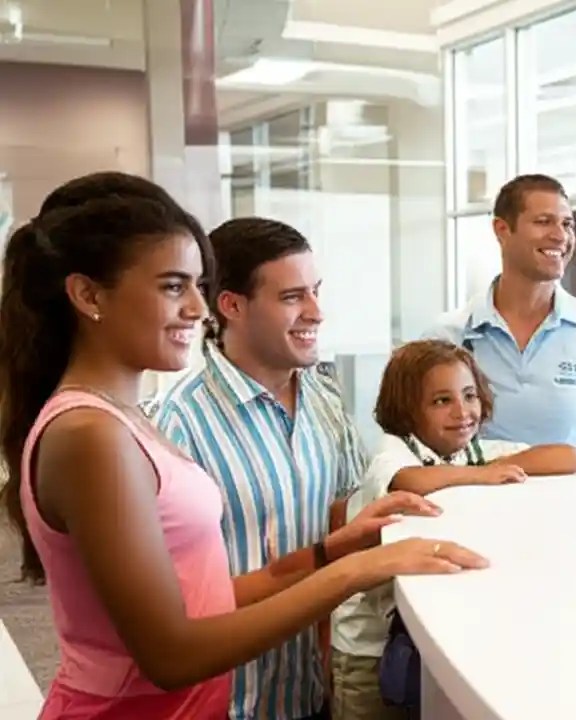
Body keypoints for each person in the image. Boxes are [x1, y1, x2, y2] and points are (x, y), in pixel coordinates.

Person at [0, 184, 486, 720]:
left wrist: (333, 551)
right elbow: (171, 654)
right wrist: (355, 572)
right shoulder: (92, 434)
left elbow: (201, 597)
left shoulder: (120, 419)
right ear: (89, 296)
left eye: (197, 286)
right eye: (172, 287)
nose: (196, 308)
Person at [151, 217, 376, 720]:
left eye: (316, 291)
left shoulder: (323, 396)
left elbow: (343, 518)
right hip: (228, 705)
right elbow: (171, 609)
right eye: (294, 297)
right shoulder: (178, 425)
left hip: (313, 691)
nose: (316, 312)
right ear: (230, 306)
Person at [330, 339, 576, 719]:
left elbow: (568, 456)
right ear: (407, 411)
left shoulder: (468, 452)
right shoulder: (393, 449)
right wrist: (484, 474)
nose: (462, 412)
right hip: (368, 650)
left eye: (469, 396)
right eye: (441, 401)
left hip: (420, 643)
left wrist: (491, 467)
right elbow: (410, 481)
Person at [426, 174, 576, 464]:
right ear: (502, 230)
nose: (560, 236)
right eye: (543, 222)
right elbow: (419, 446)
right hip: (477, 505)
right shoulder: (447, 336)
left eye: (567, 224)